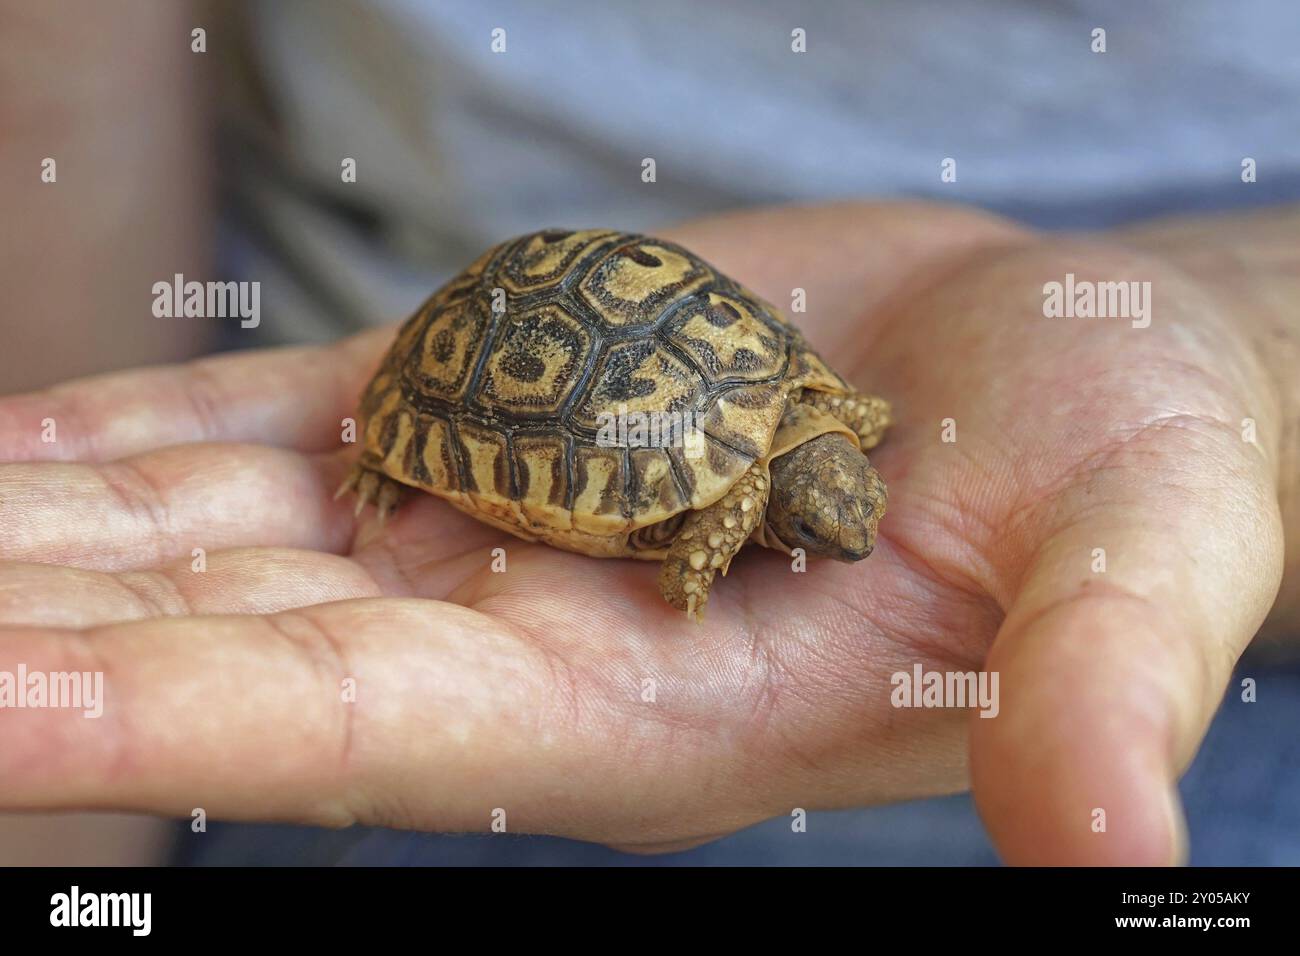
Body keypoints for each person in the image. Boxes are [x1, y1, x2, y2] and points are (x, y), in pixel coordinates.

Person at [1, 0, 1297, 866]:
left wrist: (1244, 350)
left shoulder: (817, 429)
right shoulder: (759, 461)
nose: (844, 540)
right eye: (825, 516)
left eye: (841, 512)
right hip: (346, 356)